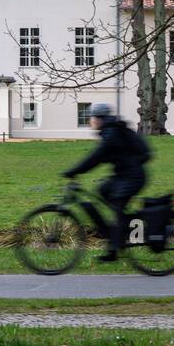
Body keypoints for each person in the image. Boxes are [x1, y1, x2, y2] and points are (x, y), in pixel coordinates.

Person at [62, 104, 152, 261]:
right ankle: (119, 231)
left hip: (133, 177)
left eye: (92, 118)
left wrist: (75, 171)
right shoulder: (110, 131)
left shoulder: (111, 133)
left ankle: (114, 249)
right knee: (103, 190)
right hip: (124, 175)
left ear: (99, 119)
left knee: (117, 207)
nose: (91, 122)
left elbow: (96, 156)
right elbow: (99, 158)